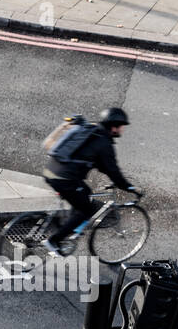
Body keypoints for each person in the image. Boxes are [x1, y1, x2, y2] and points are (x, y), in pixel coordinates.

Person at [43, 107, 141, 256]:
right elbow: (112, 170)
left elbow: (100, 165)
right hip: (64, 179)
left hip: (51, 170)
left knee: (86, 193)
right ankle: (54, 241)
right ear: (114, 126)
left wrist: (113, 176)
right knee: (87, 209)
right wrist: (129, 187)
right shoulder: (104, 144)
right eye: (121, 126)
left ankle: (69, 227)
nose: (123, 130)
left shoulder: (92, 131)